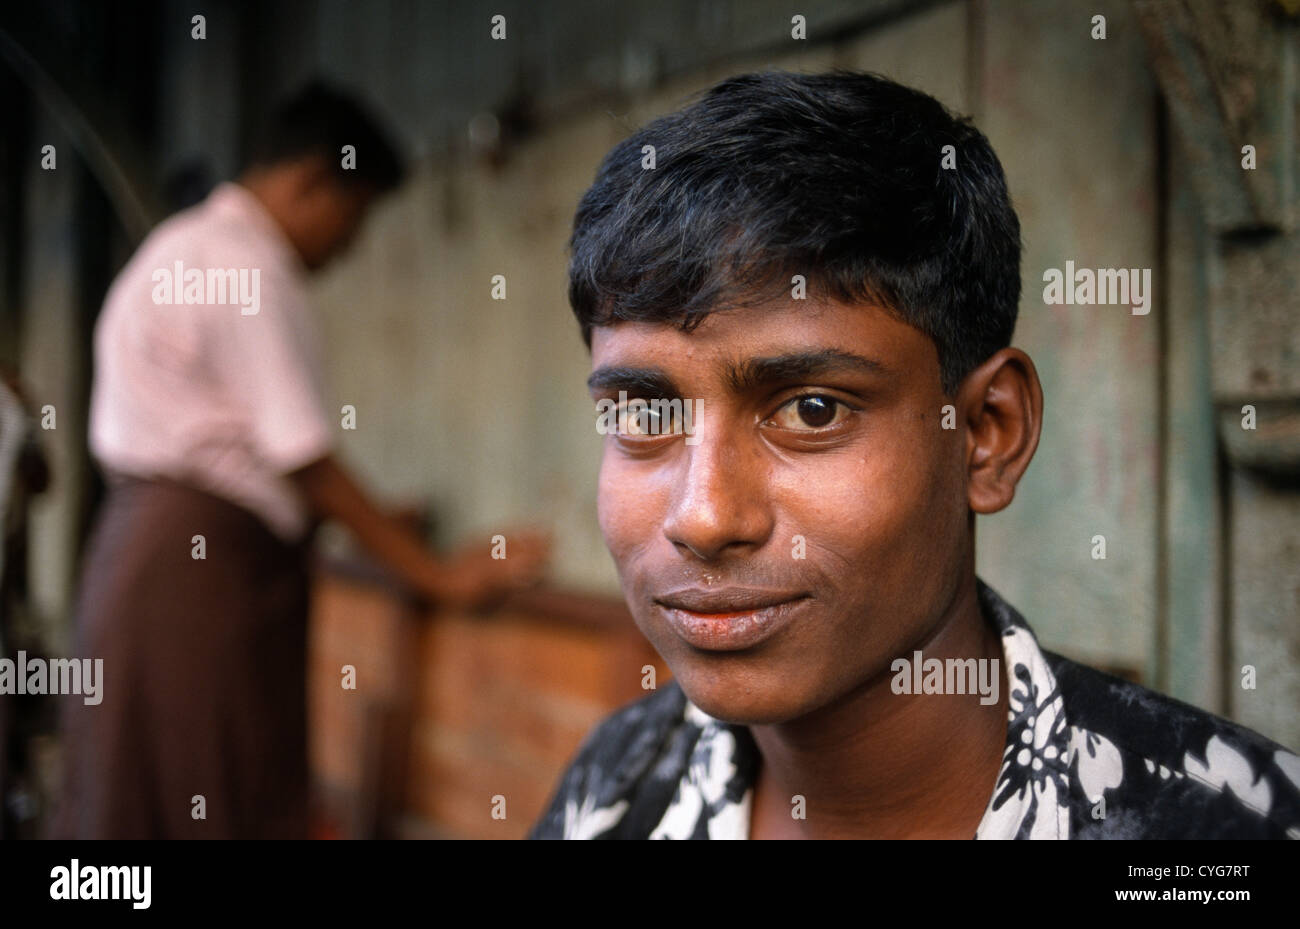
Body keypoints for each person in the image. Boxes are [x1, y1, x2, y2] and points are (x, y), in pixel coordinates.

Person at [530, 70, 1300, 839]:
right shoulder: (616, 787)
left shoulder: (1225, 831)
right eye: (645, 413)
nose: (703, 517)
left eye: (812, 409)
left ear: (988, 433)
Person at [53, 81, 547, 839]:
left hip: (148, 558)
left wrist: (380, 521)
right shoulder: (244, 264)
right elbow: (304, 460)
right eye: (353, 217)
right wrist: (440, 576)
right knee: (207, 790)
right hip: (197, 574)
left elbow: (254, 455)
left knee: (138, 795)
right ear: (313, 180)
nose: (348, 246)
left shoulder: (181, 245)